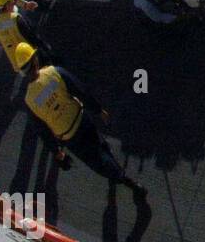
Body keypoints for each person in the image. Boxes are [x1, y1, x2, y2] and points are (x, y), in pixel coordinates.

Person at [14, 43, 146, 199]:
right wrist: (98, 110)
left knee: (97, 161)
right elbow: (80, 90)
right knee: (98, 143)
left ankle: (127, 181)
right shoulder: (54, 73)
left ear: (21, 71)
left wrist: (57, 152)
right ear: (35, 60)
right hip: (82, 120)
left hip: (69, 137)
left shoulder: (29, 100)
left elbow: (42, 130)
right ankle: (109, 155)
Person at [0, 0, 48, 70]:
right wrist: (45, 48)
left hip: (19, 63)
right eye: (11, 0)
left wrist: (25, 4)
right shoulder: (15, 19)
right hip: (31, 54)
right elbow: (31, 36)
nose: (14, 1)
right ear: (7, 4)